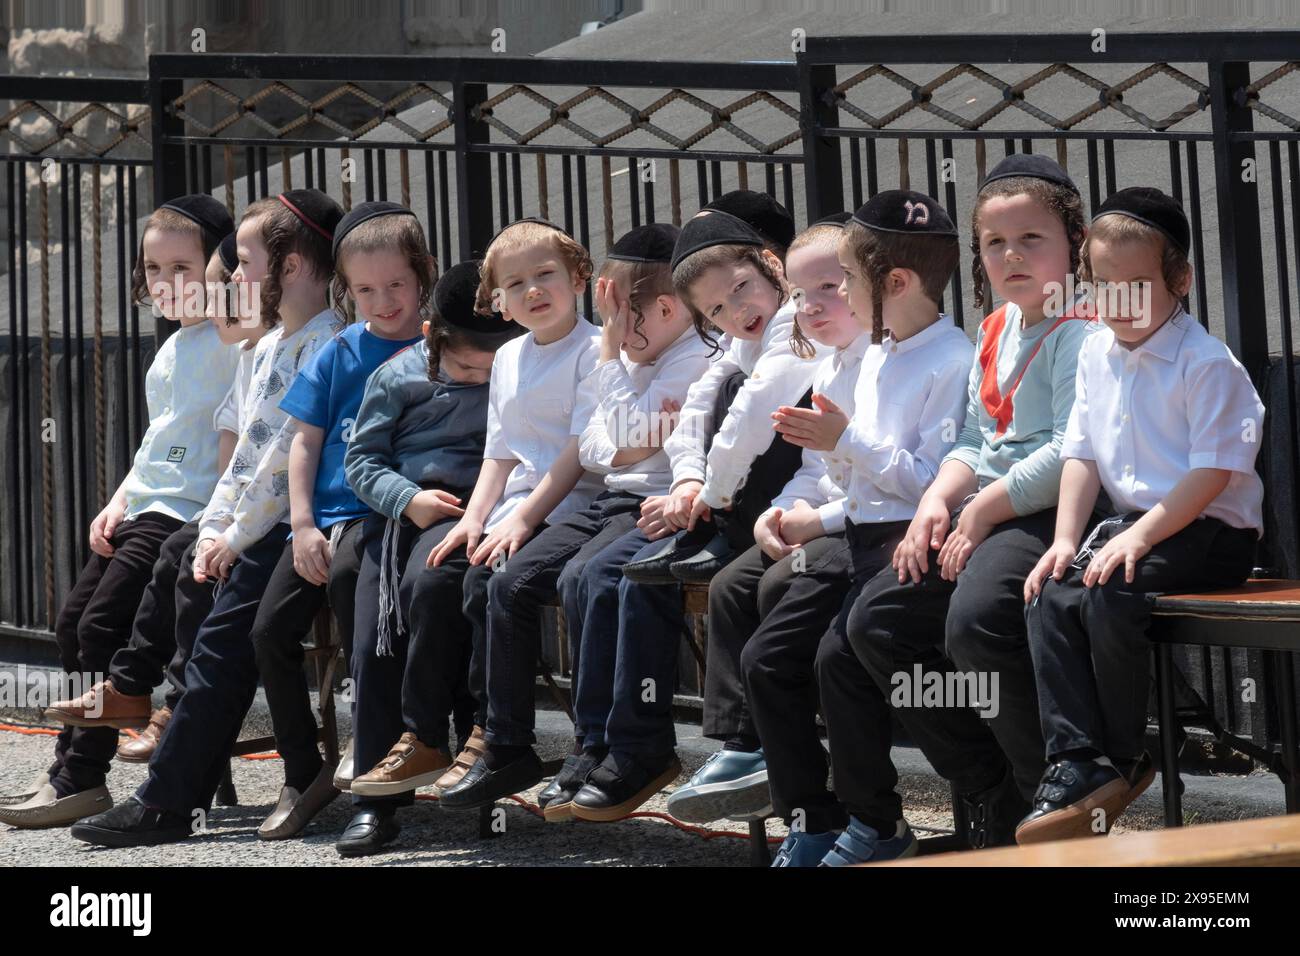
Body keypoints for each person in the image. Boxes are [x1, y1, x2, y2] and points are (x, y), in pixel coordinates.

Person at [1018, 187, 1263, 844]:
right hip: (1136, 529)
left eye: (1137, 285)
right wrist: (1066, 539)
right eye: (1102, 286)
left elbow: (1211, 475)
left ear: (1180, 279)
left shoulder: (1207, 364)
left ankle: (1126, 755)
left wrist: (1139, 537)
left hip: (1210, 532)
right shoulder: (1095, 351)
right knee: (1050, 591)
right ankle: (1075, 760)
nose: (1116, 302)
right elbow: (1080, 454)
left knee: (1111, 588)